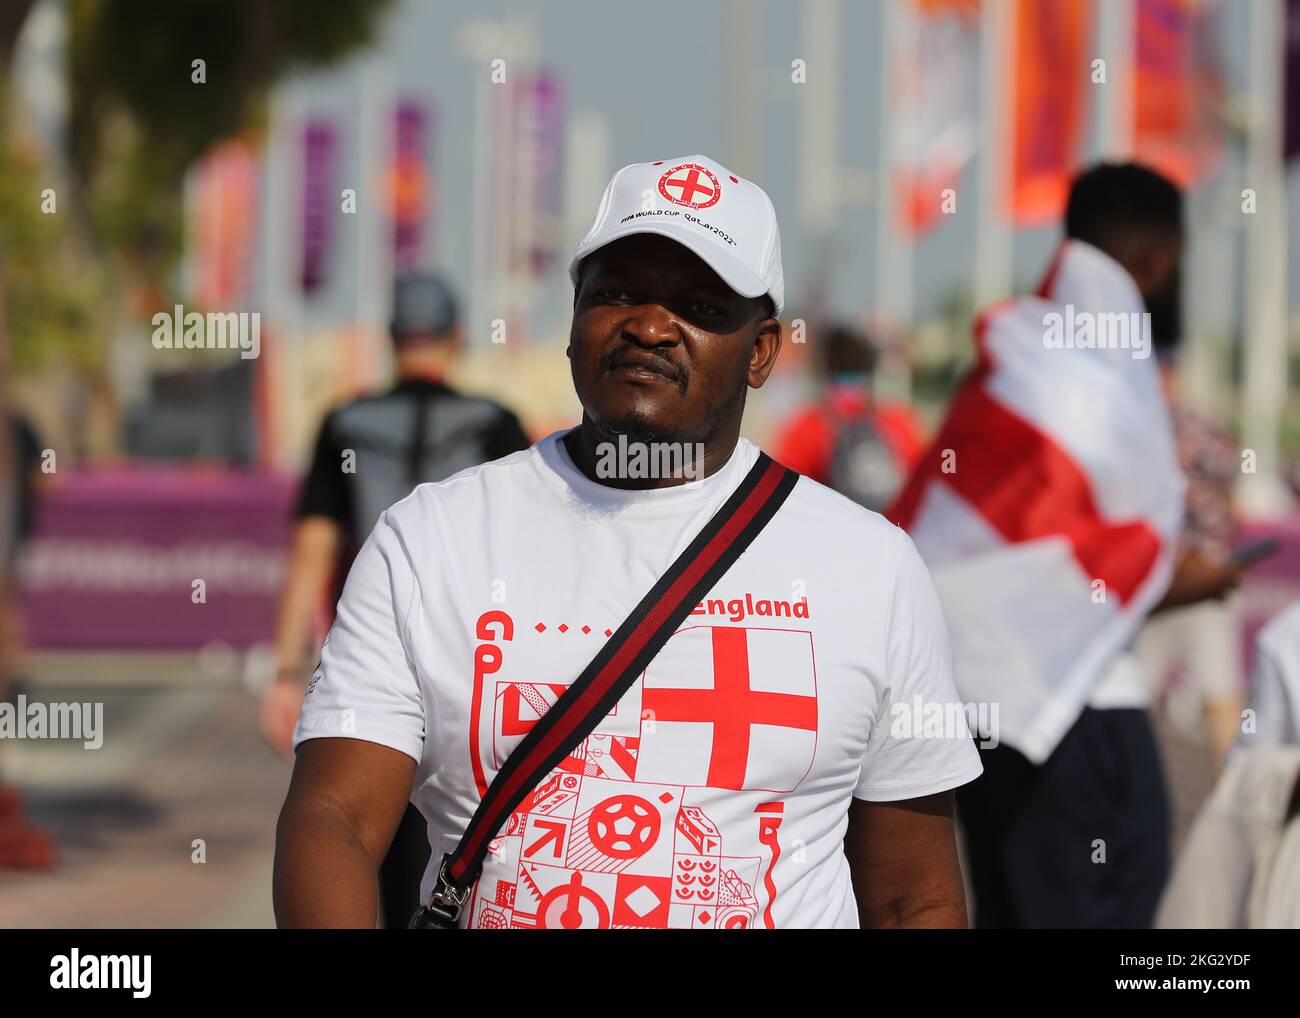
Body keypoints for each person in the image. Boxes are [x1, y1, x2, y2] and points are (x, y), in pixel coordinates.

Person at [274, 153, 982, 929]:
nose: (648, 326)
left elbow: (915, 896)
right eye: (615, 293)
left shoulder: (870, 568)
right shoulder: (430, 538)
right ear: (575, 318)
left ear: (762, 351)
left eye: (700, 306)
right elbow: (332, 819)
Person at [890, 162, 1205, 927]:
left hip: (983, 710)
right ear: (1159, 259)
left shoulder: (1012, 366)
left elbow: (978, 547)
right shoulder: (1106, 377)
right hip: (1078, 712)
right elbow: (1128, 553)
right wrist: (1202, 579)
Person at [261, 272, 529, 927]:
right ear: (457, 337)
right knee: (457, 855)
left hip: (369, 660)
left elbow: (311, 555)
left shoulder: (345, 423)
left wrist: (288, 673)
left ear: (390, 338)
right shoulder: (495, 425)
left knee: (355, 841)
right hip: (477, 660)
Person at [1137, 342, 1246, 763]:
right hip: (1202, 577)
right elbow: (1231, 494)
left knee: (1141, 694)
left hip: (1170, 581)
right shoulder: (1206, 422)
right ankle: (1235, 797)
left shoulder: (1143, 426)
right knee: (1219, 697)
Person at [773, 324, 926, 511]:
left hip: (831, 534)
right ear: (870, 369)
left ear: (824, 368)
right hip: (890, 529)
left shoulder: (810, 425)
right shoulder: (898, 421)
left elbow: (784, 494)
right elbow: (923, 485)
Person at [0, 413, 56, 869]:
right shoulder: (17, 424)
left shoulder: (19, 427)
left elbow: (44, 477)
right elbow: (46, 480)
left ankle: (12, 681)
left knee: (9, 612)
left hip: (11, 542)